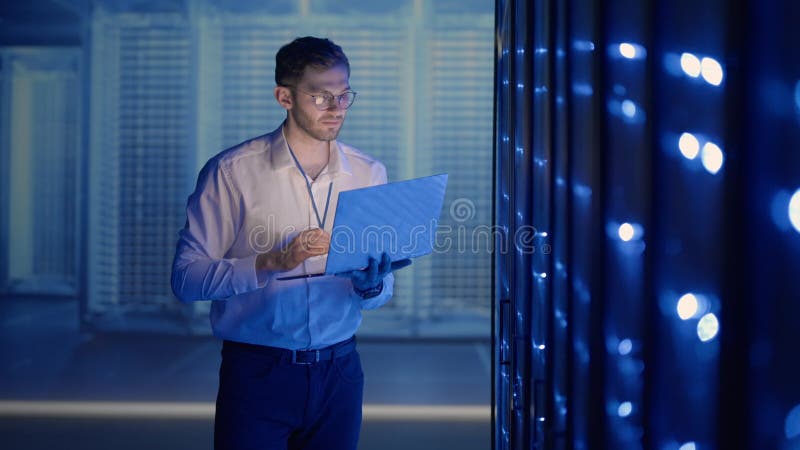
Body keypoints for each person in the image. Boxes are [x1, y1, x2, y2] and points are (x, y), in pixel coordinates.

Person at [171, 36, 410, 450]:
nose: (337, 109)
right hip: (258, 372)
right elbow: (186, 279)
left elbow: (379, 293)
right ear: (284, 96)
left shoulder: (369, 172)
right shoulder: (232, 172)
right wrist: (271, 261)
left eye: (344, 95)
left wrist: (372, 285)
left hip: (341, 372)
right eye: (321, 97)